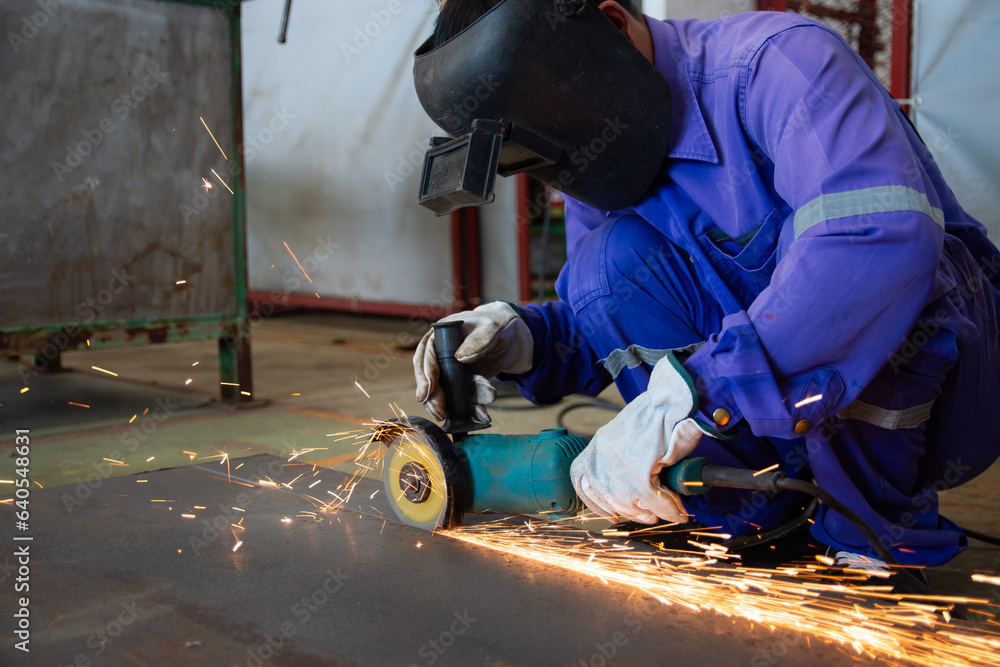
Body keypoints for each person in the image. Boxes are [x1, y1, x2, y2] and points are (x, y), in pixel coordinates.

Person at [411, 0, 1000, 568]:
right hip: (774, 421)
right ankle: (751, 517)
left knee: (857, 271)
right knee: (605, 266)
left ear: (614, 25)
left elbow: (876, 242)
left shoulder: (781, 63)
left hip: (951, 388)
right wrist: (524, 338)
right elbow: (609, 312)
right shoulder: (602, 163)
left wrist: (702, 391)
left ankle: (869, 537)